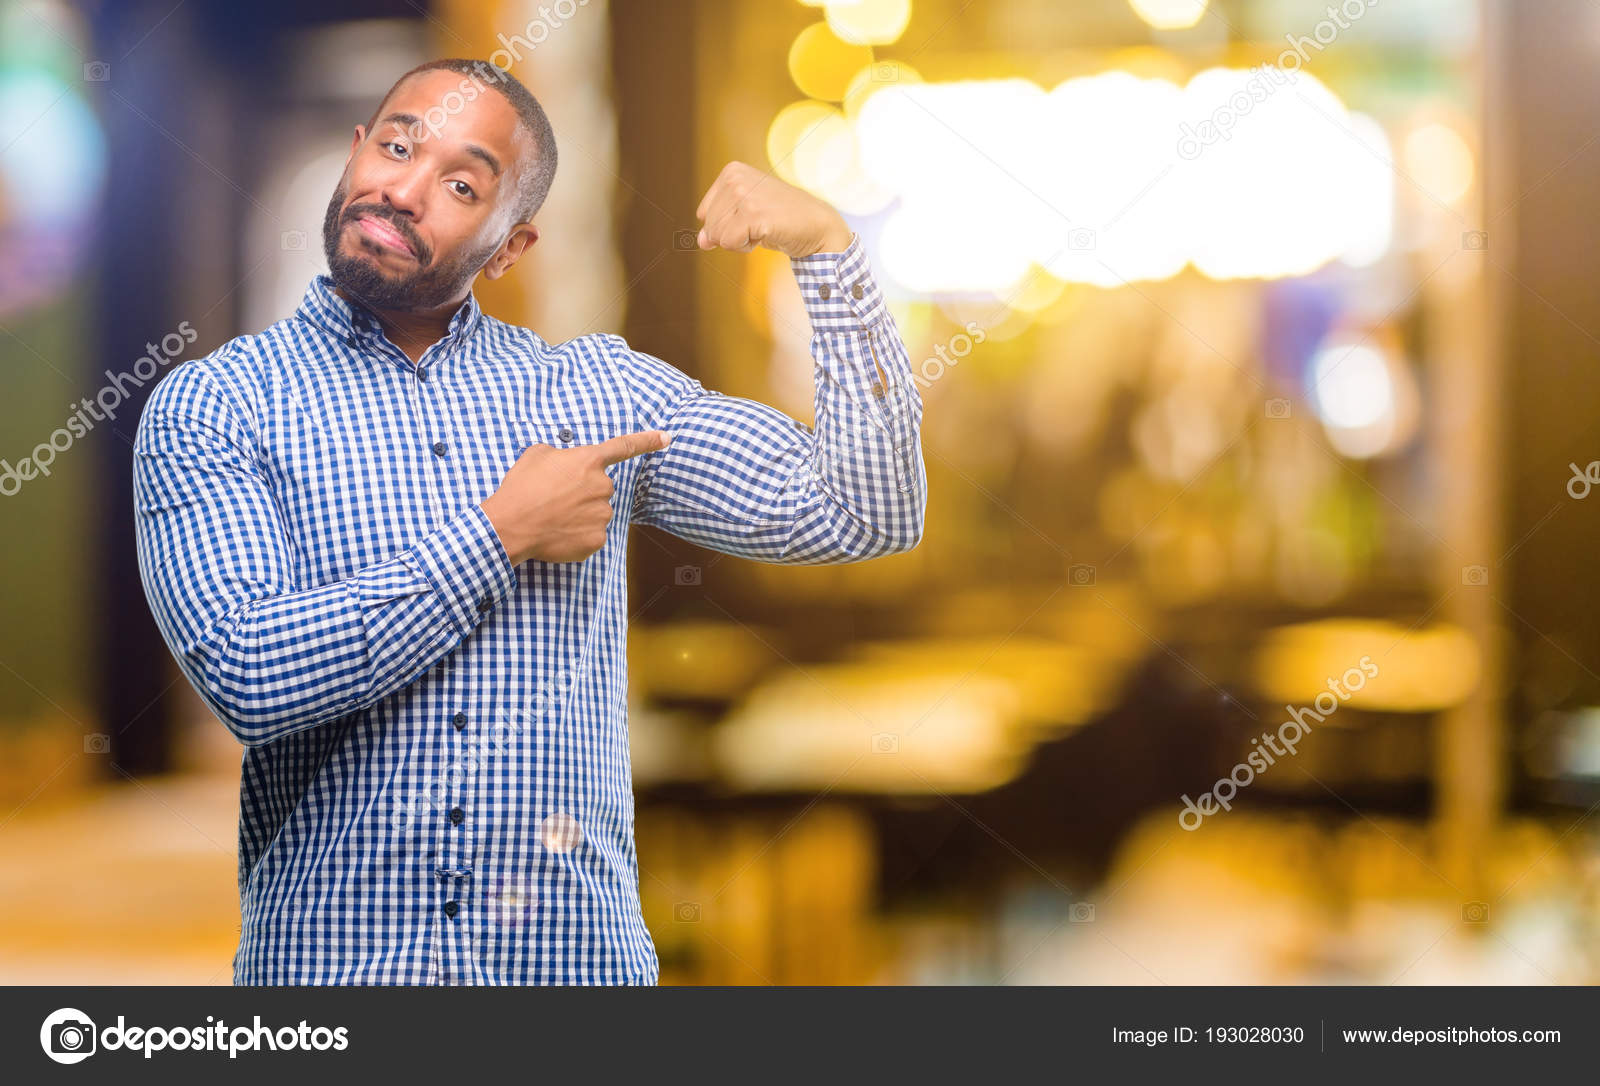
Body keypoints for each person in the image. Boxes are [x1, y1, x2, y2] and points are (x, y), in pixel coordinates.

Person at [133, 58, 926, 985]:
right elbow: (248, 673)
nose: (405, 189)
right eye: (396, 147)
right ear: (356, 155)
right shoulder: (216, 406)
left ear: (511, 247)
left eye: (462, 183)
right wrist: (499, 535)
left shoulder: (592, 391)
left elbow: (862, 512)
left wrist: (828, 253)